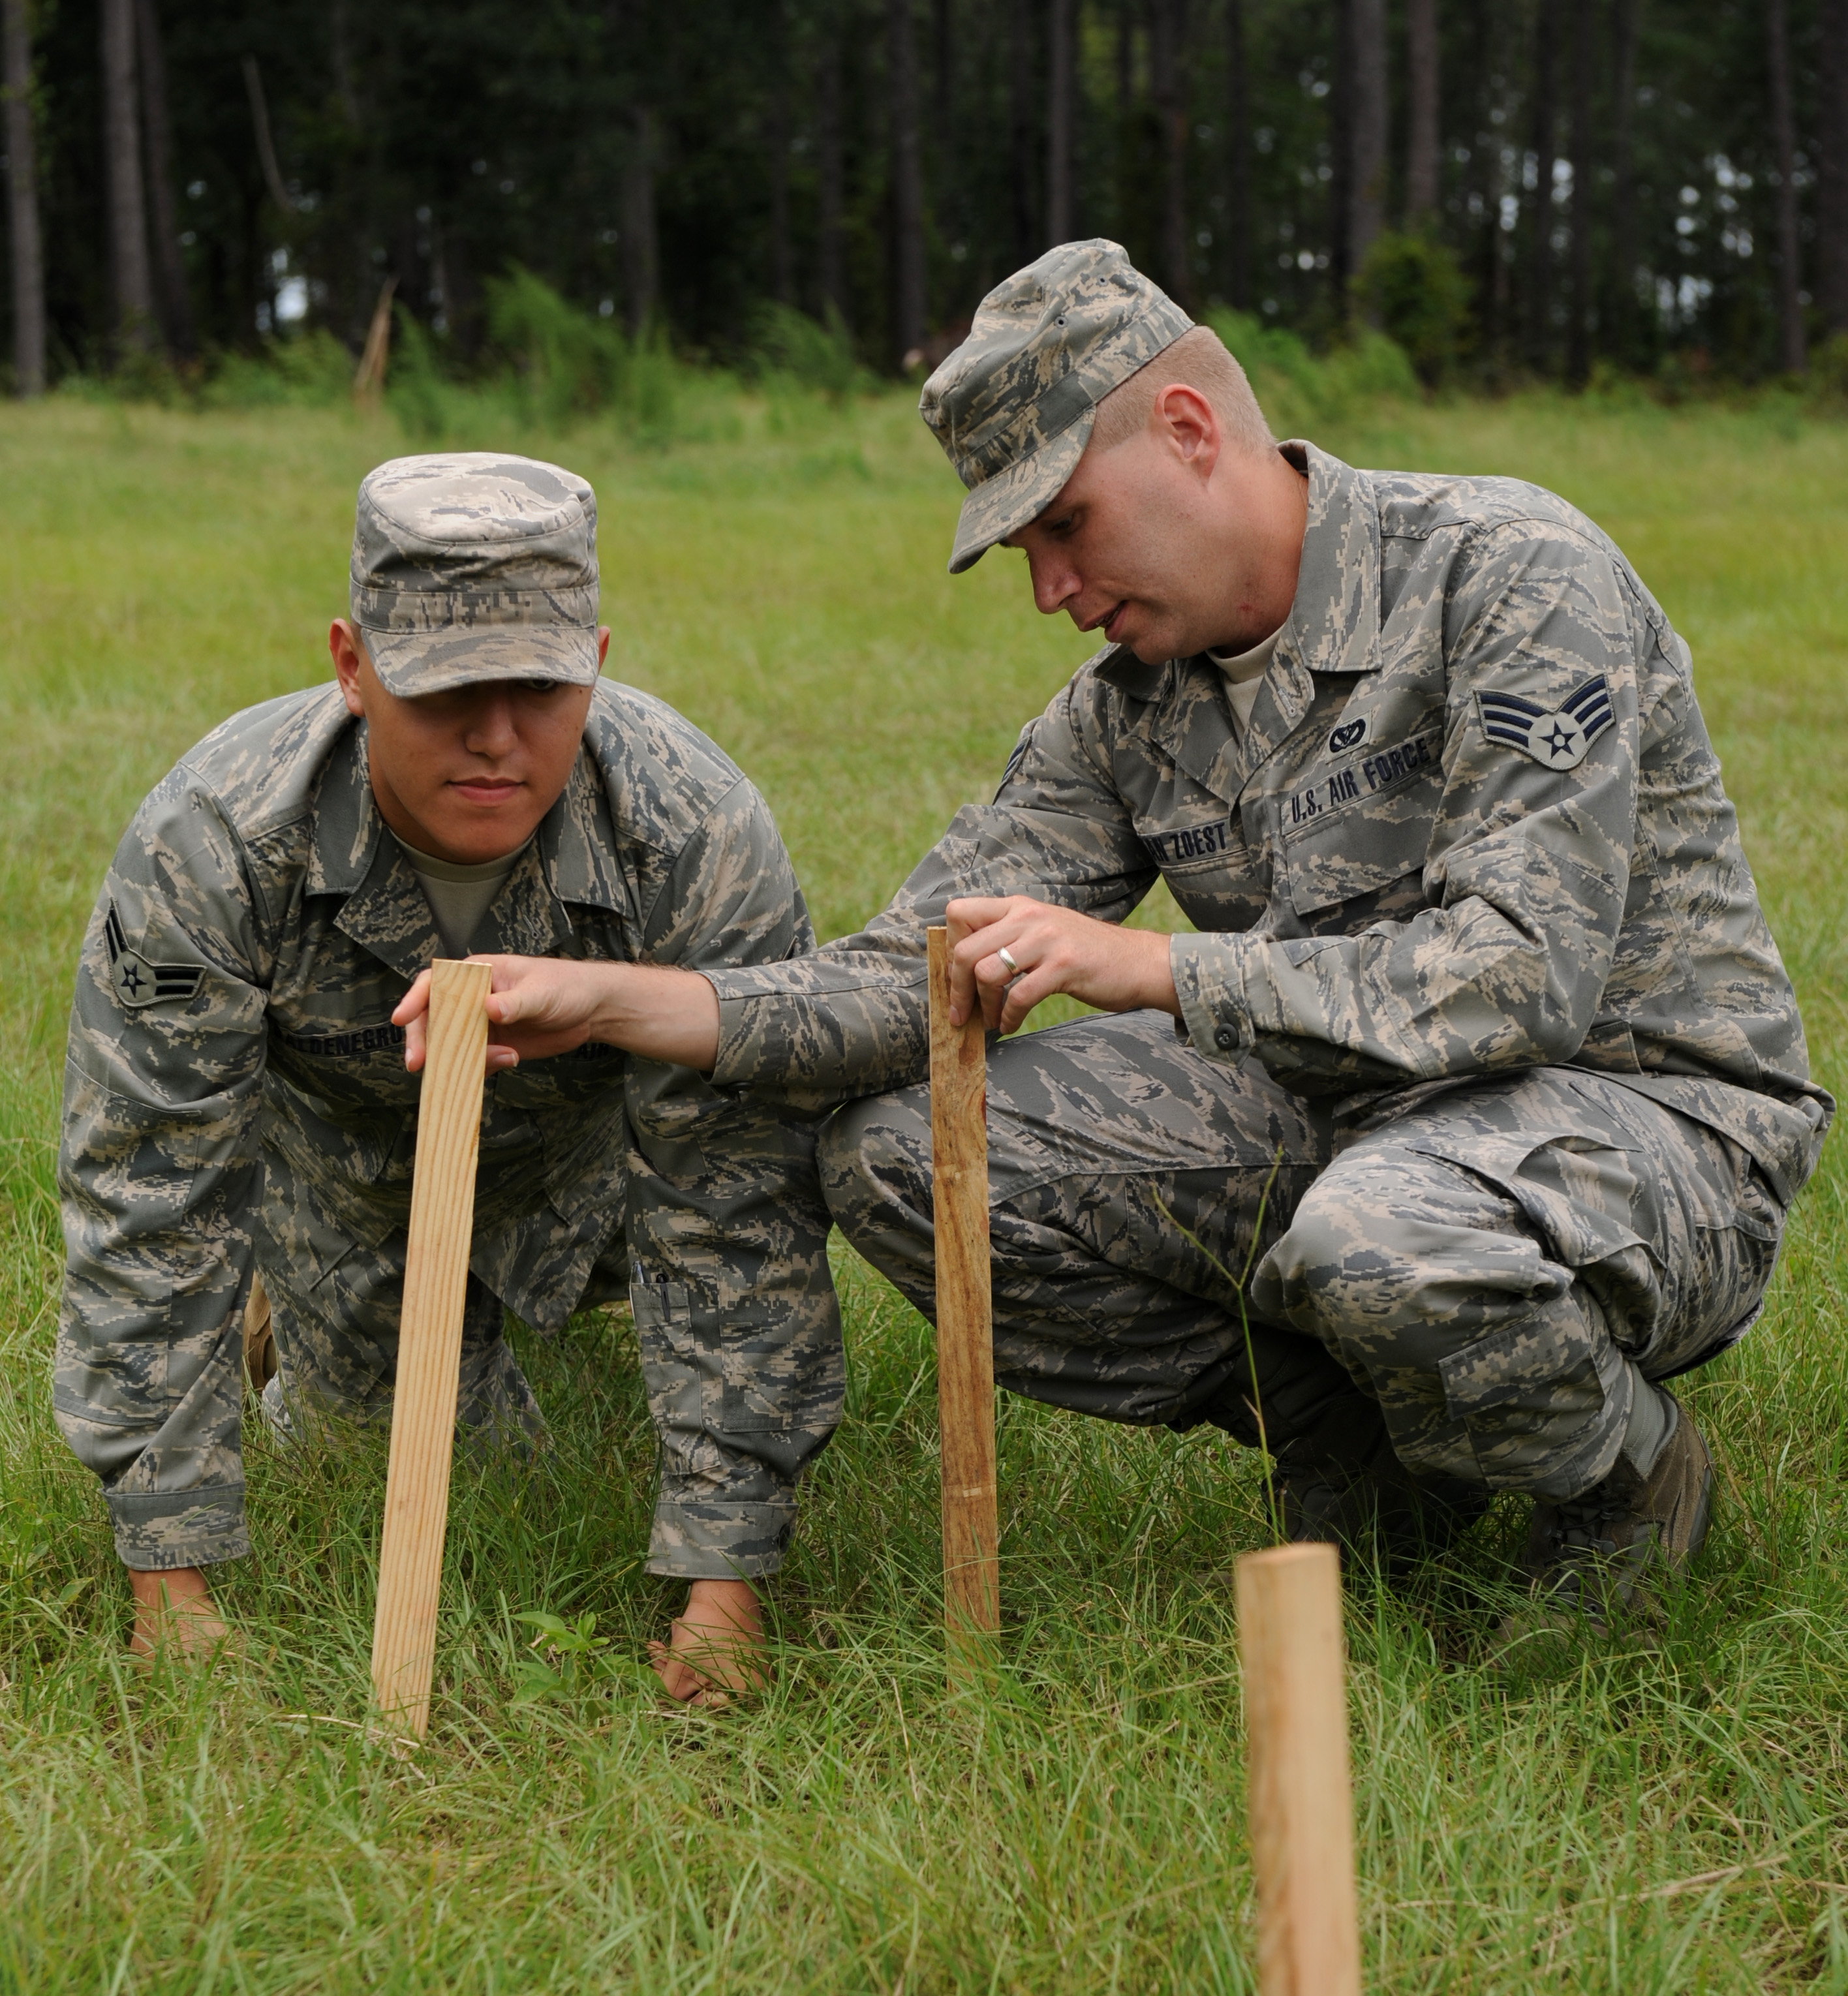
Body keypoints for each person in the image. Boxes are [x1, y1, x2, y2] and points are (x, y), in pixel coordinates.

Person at [531, 240, 1832, 1642]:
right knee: (902, 1156)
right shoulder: (1124, 712)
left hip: (1643, 1124)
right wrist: (617, 1001)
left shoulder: (1506, 574)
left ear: (1191, 430)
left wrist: (1157, 968)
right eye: (1026, 552)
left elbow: (1521, 977)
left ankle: (1626, 1476)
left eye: (1066, 524)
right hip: (1355, 1129)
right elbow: (915, 977)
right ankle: (1368, 1444)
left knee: (1384, 1235)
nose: (1050, 589)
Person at [55, 450, 842, 1699]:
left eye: (539, 687)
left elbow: (737, 1194)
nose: (495, 738)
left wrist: (725, 1586)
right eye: (446, 689)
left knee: (733, 1199)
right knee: (448, 1468)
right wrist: (173, 1585)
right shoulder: (214, 844)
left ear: (596, 661)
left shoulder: (692, 833)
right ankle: (300, 1302)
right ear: (352, 666)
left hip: (606, 1171)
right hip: (366, 1176)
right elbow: (152, 1192)